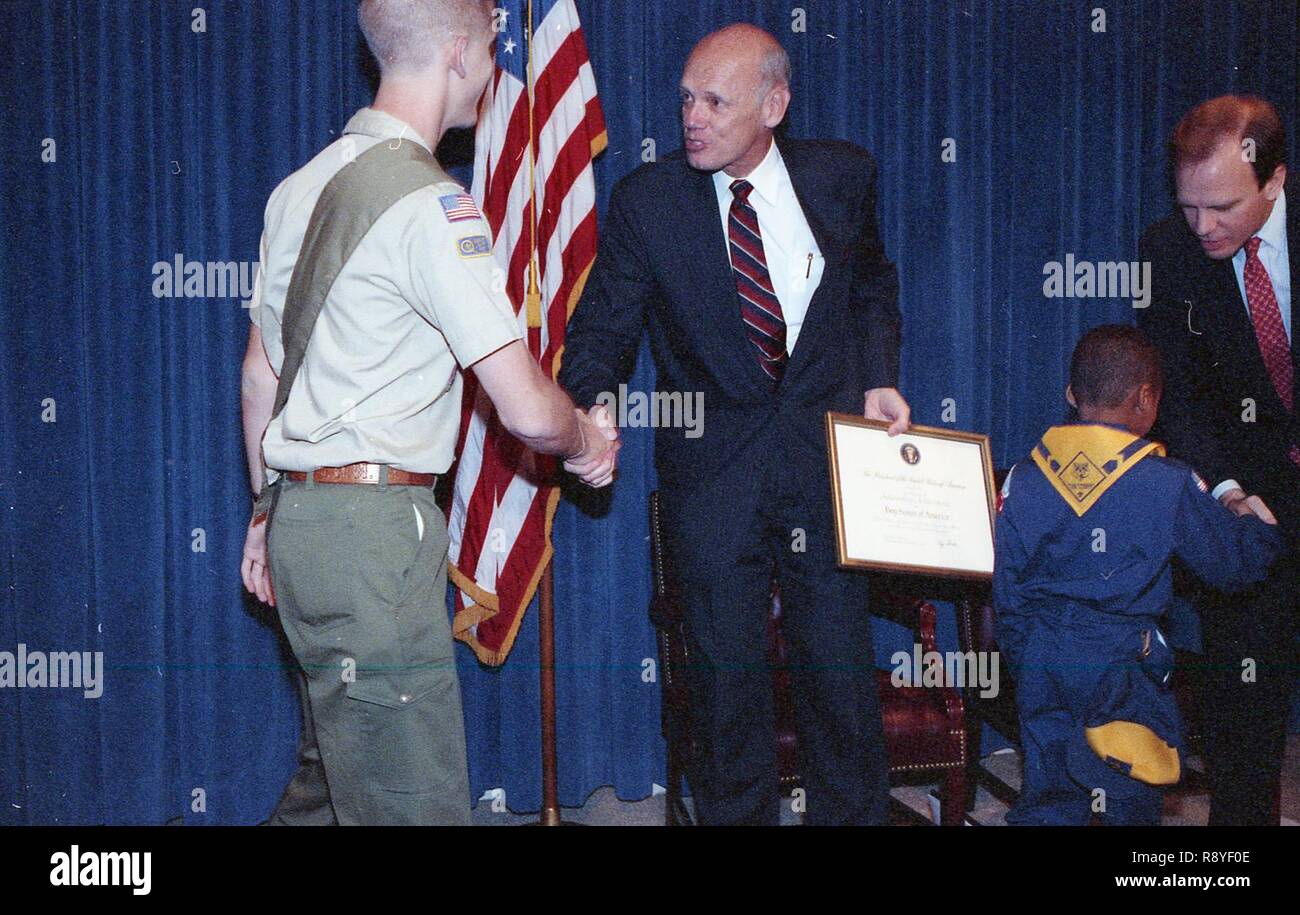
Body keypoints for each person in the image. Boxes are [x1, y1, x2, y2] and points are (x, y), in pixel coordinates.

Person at [238, 0, 617, 825]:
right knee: (412, 801)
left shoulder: (296, 189)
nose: (494, 61)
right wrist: (587, 438)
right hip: (375, 538)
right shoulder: (433, 209)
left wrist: (267, 512)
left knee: (333, 781)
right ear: (457, 51)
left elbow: (260, 375)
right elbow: (523, 405)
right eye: (489, 43)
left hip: (305, 522)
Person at [557, 23, 907, 825]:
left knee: (840, 680)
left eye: (716, 100)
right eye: (686, 97)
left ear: (774, 104)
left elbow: (870, 286)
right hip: (713, 483)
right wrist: (592, 401)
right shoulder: (649, 201)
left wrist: (881, 375)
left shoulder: (842, 176)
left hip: (823, 473)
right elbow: (603, 326)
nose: (694, 116)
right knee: (725, 697)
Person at [995, 325, 1280, 826]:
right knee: (1128, 790)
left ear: (1070, 395)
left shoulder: (1023, 475)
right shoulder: (1166, 481)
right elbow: (1234, 567)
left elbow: (1008, 589)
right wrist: (1260, 528)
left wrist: (1028, 657)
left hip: (1043, 657)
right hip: (1122, 664)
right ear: (1146, 398)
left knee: (1050, 793)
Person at [1138, 94, 1299, 825]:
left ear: (1275, 181)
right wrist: (1228, 493)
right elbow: (1176, 397)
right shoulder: (1166, 253)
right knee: (1244, 703)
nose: (1202, 226)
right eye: (1188, 206)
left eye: (1223, 207)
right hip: (1251, 502)